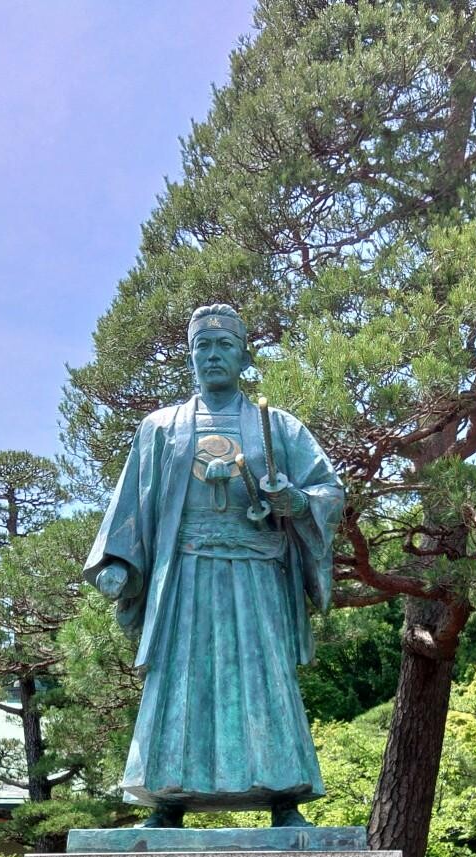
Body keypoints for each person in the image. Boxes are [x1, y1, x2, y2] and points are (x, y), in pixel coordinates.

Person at [85, 303, 344, 827]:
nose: (212, 355)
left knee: (264, 675)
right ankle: (166, 797)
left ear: (244, 354)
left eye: (224, 345)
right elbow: (131, 504)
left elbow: (329, 491)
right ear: (190, 358)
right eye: (202, 346)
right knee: (180, 679)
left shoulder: (279, 427)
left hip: (256, 574)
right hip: (184, 576)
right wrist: (117, 562)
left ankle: (283, 796)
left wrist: (295, 501)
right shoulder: (161, 429)